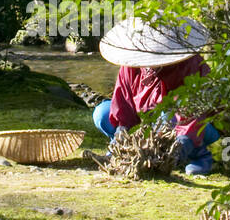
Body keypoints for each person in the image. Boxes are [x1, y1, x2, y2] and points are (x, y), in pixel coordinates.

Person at [90, 16, 219, 176]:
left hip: (194, 124)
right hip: (147, 122)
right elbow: (122, 102)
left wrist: (179, 147)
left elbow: (192, 116)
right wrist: (121, 137)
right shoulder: (131, 64)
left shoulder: (189, 65)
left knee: (167, 118)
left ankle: (198, 156)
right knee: (102, 114)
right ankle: (125, 151)